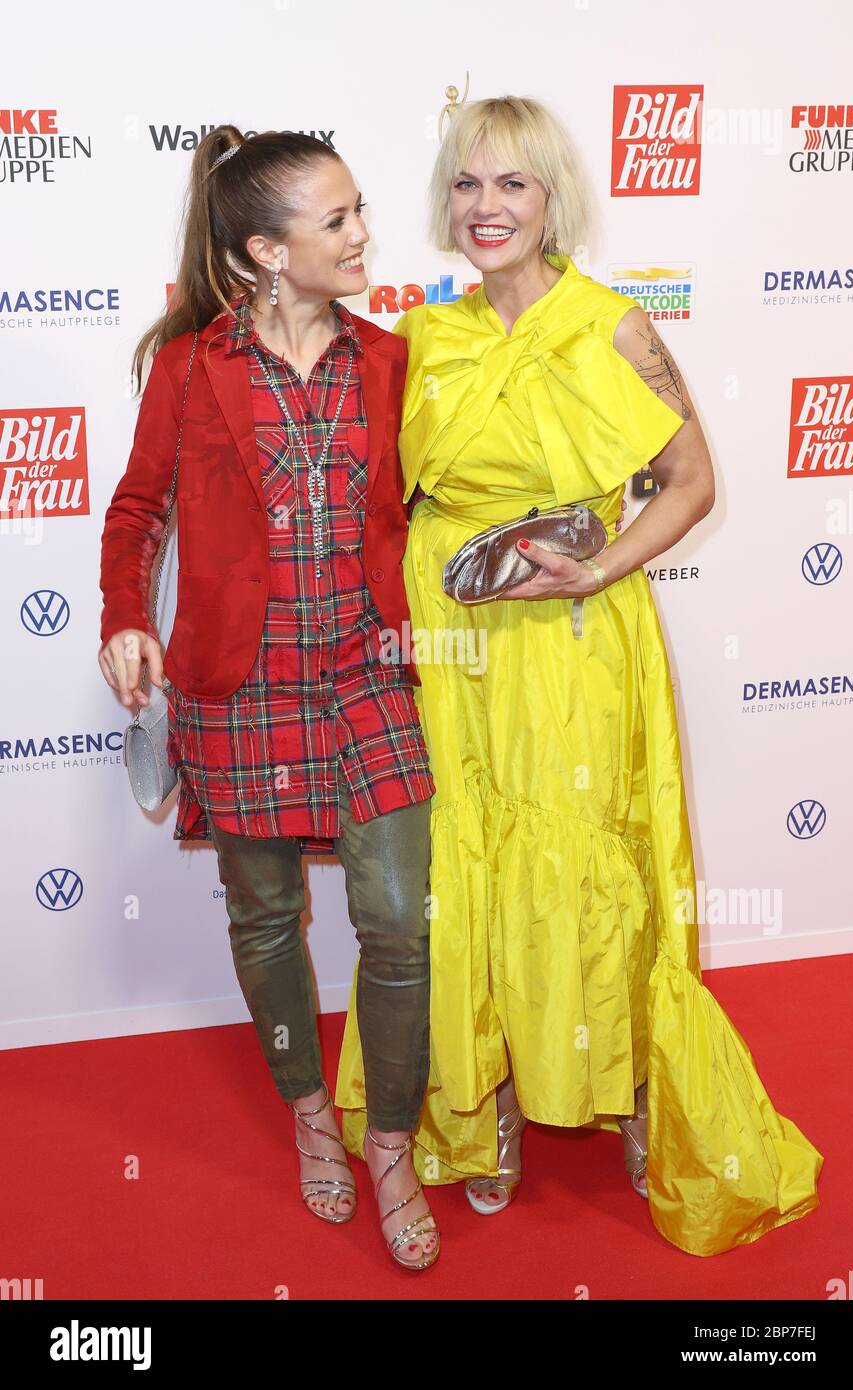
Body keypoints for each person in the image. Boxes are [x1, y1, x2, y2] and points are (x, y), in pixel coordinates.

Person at [335, 96, 823, 1257]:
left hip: (570, 641)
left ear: (552, 198)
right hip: (454, 656)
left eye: (511, 184)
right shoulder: (425, 337)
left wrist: (590, 569)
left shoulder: (609, 326)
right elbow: (387, 498)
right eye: (465, 183)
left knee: (595, 865)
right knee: (469, 870)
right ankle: (480, 1106)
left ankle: (634, 1086)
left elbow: (691, 480)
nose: (486, 206)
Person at [98, 125, 441, 1271]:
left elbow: (434, 505)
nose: (361, 235)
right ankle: (309, 1113)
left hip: (365, 676)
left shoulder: (391, 360)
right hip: (237, 689)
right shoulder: (191, 368)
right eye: (336, 219)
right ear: (263, 250)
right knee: (263, 919)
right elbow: (138, 510)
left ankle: (387, 1137)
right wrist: (123, 617)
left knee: (396, 924)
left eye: (357, 212)